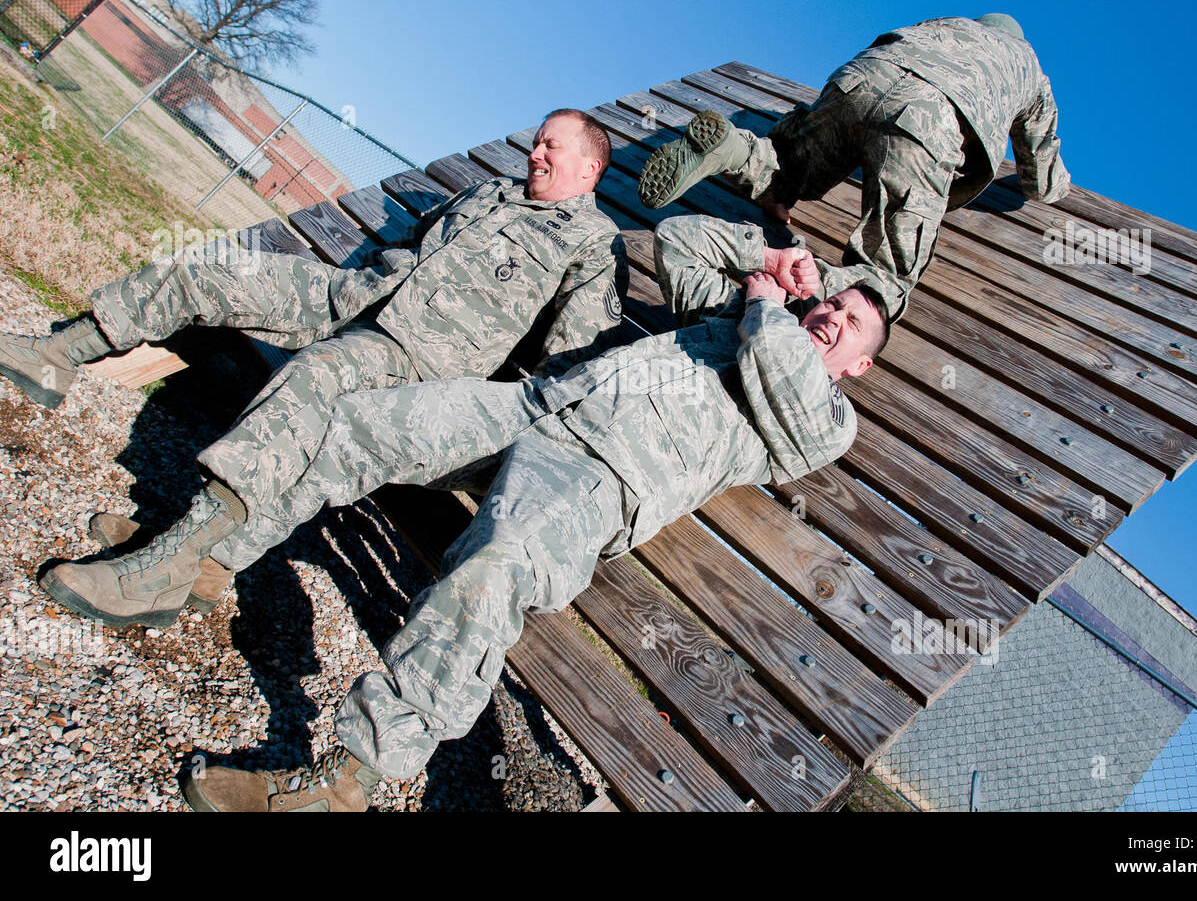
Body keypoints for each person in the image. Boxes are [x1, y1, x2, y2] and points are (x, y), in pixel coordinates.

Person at [179, 213, 888, 811]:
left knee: (493, 570)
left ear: (859, 365)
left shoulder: (826, 417)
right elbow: (676, 239)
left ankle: (342, 784)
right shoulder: (733, 317)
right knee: (358, 423)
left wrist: (768, 305)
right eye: (834, 304)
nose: (831, 318)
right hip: (539, 402)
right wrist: (762, 258)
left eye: (852, 324)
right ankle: (198, 558)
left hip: (591, 479)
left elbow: (781, 363)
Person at [2, 109, 628, 629]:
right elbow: (411, 247)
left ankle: (173, 563)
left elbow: (564, 367)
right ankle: (60, 355)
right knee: (216, 269)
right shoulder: (490, 193)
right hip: (354, 296)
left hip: (415, 361)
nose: (535, 152)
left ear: (589, 165)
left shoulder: (594, 243)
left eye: (551, 145)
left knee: (315, 379)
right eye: (537, 140)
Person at [638, 13, 1070, 323]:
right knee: (887, 275)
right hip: (930, 121)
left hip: (862, 77)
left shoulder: (949, 23)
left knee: (790, 164)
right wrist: (1055, 184)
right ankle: (808, 288)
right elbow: (1041, 177)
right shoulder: (1030, 69)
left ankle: (731, 149)